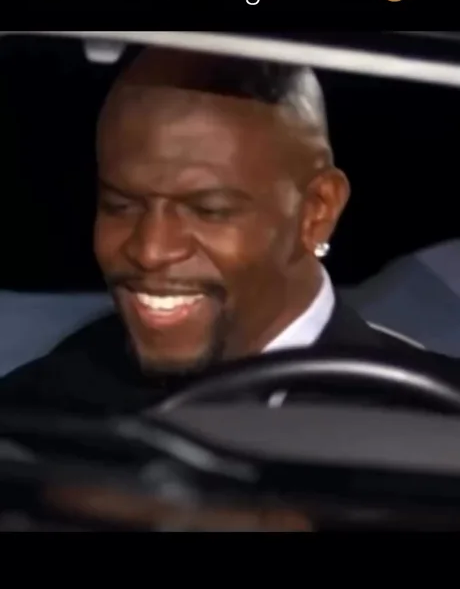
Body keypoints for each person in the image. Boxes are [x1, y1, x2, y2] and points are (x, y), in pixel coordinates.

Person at [0, 46, 457, 417]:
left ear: (317, 212)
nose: (151, 249)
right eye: (121, 205)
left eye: (208, 211)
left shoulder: (432, 425)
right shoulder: (40, 407)